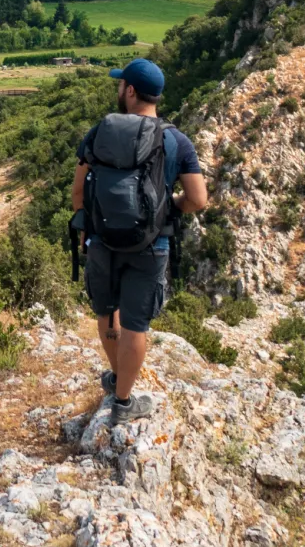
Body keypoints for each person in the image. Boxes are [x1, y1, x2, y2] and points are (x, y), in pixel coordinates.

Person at [70, 57, 207, 423]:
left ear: (130, 91)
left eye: (120, 84)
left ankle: (118, 379)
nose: (119, 90)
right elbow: (198, 199)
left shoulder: (100, 132)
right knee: (135, 324)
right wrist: (169, 206)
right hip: (150, 245)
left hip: (101, 240)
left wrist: (91, 225)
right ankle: (124, 401)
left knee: (106, 311)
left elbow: (78, 193)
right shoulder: (175, 140)